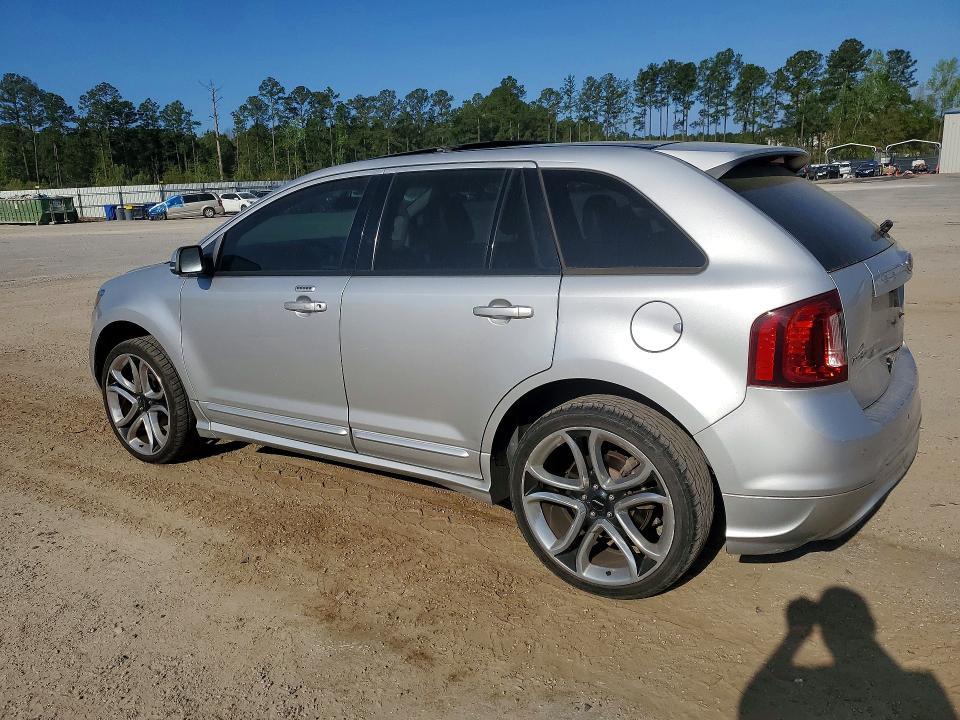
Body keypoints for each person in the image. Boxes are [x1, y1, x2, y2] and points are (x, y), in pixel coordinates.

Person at [739, 587, 956, 720]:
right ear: (870, 623)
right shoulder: (926, 683)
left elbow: (753, 702)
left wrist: (795, 635)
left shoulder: (923, 682)